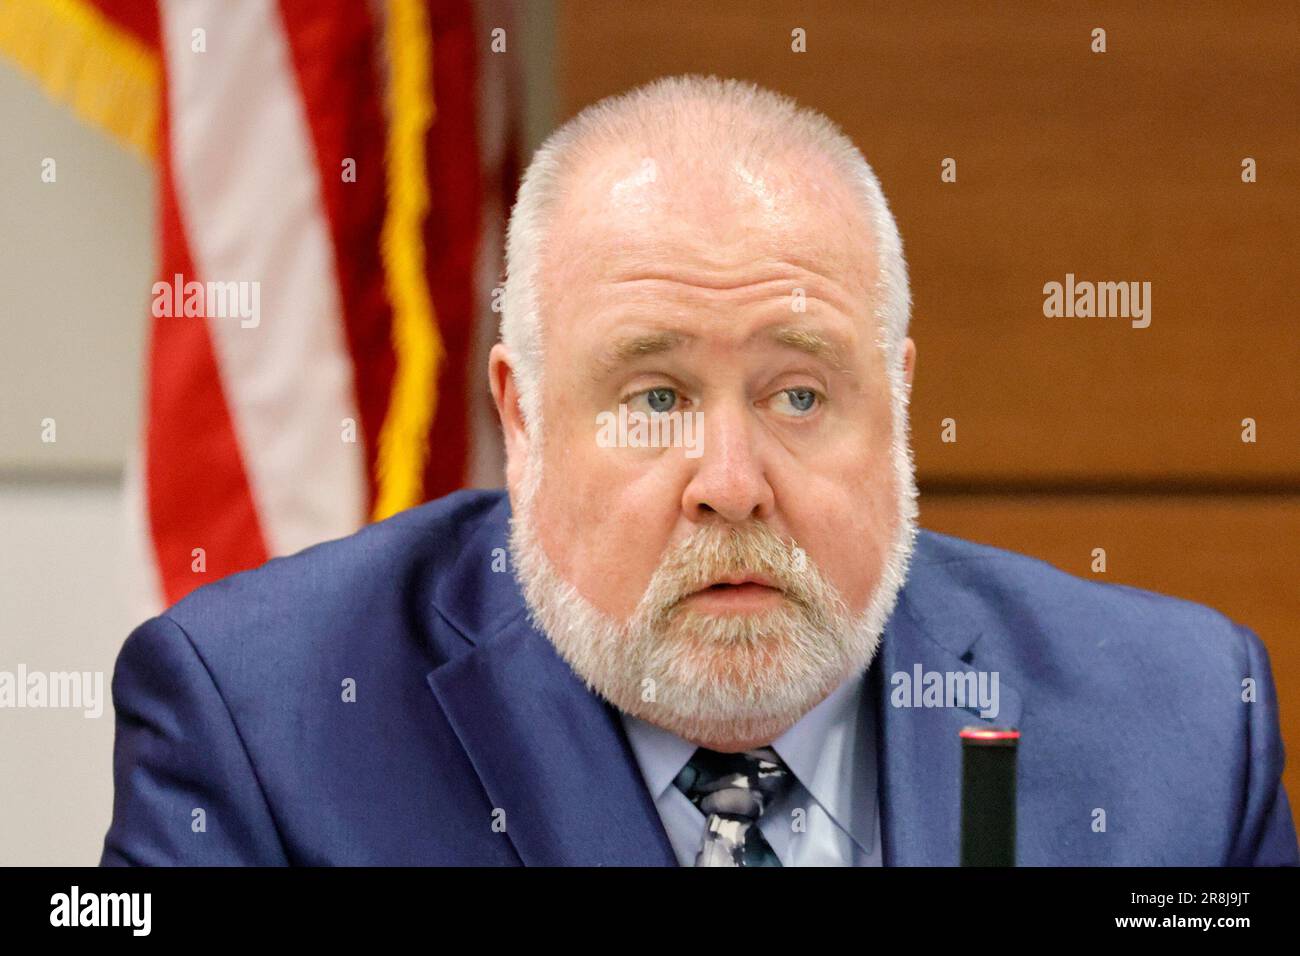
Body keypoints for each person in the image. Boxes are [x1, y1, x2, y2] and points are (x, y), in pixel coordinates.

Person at [100, 75, 1298, 866]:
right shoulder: (263, 728)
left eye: (798, 394)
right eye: (655, 396)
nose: (731, 480)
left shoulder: (1183, 728)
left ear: (898, 405)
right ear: (520, 417)